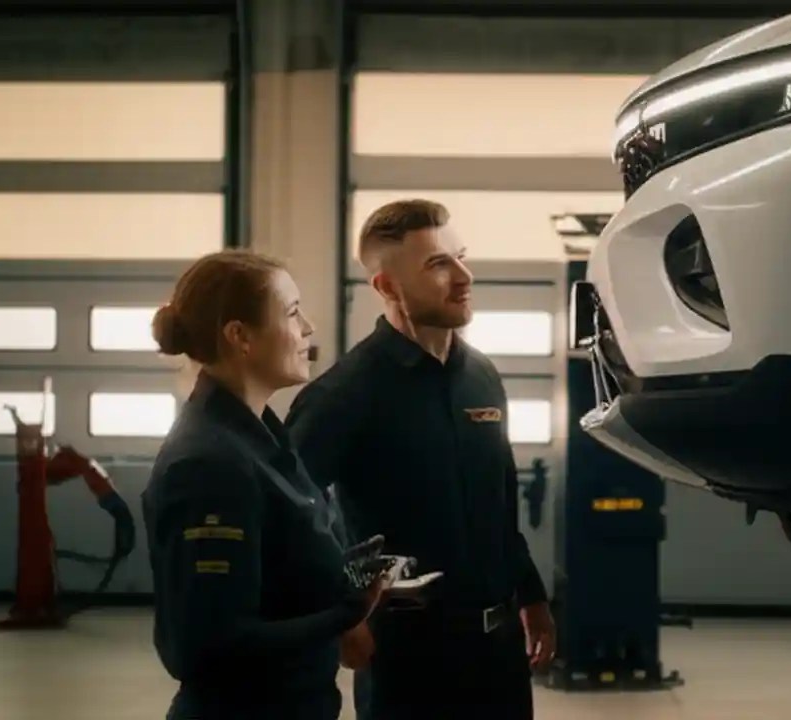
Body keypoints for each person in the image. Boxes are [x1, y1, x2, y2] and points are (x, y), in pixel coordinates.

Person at [286, 199, 556, 719]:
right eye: (438, 264)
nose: (463, 276)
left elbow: (500, 501)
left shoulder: (482, 376)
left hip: (498, 653)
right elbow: (289, 514)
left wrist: (532, 596)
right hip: (407, 658)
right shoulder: (345, 394)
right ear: (387, 287)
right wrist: (340, 616)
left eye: (460, 256)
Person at [141, 249, 390, 720]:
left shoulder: (264, 440)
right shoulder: (209, 464)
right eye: (293, 312)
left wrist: (345, 572)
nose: (309, 328)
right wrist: (347, 614)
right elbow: (209, 645)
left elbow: (277, 570)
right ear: (240, 337)